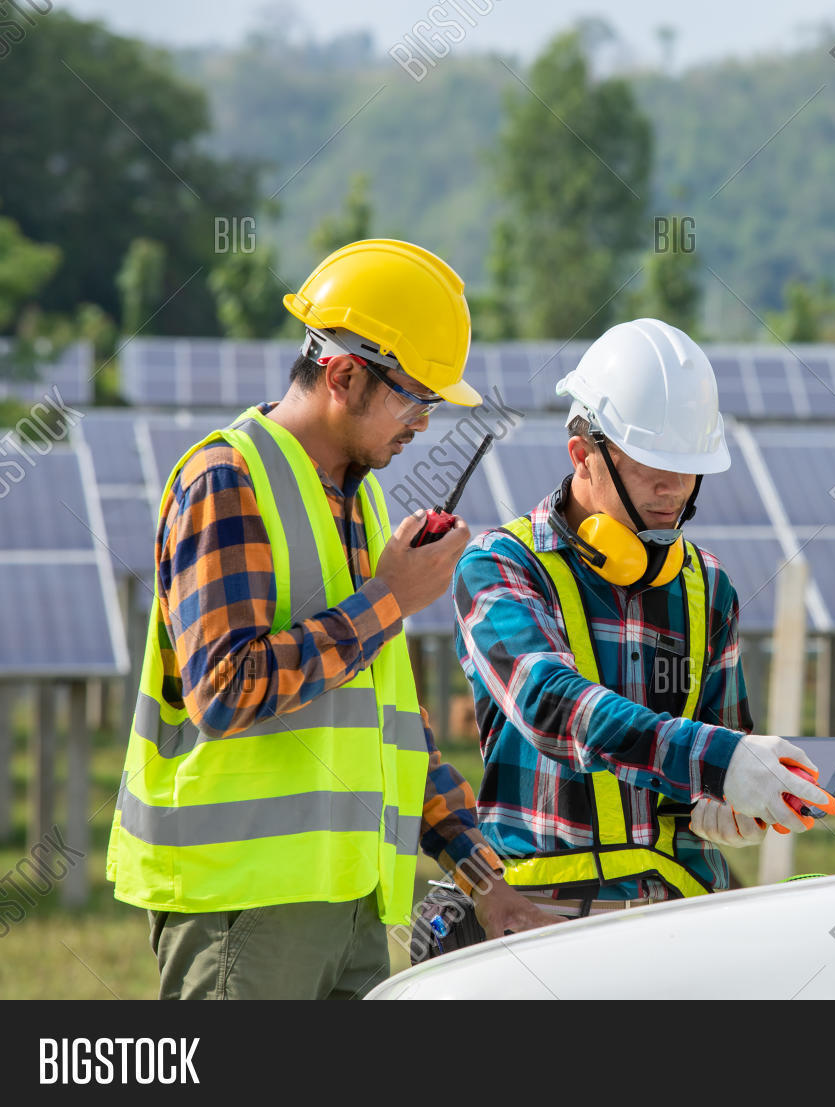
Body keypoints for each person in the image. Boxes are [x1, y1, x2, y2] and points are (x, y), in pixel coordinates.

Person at [106, 238, 551, 999]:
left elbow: (389, 729)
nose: (424, 422)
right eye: (417, 396)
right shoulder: (228, 479)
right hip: (242, 910)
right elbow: (225, 689)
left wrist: (484, 878)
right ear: (346, 374)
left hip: (350, 908)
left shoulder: (360, 500)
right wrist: (388, 600)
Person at [451, 317, 833, 920]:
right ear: (583, 454)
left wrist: (723, 807)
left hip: (677, 918)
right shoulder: (500, 566)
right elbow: (553, 708)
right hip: (542, 918)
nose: (675, 488)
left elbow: (720, 744)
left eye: (689, 465)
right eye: (652, 465)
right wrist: (716, 760)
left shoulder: (707, 586)